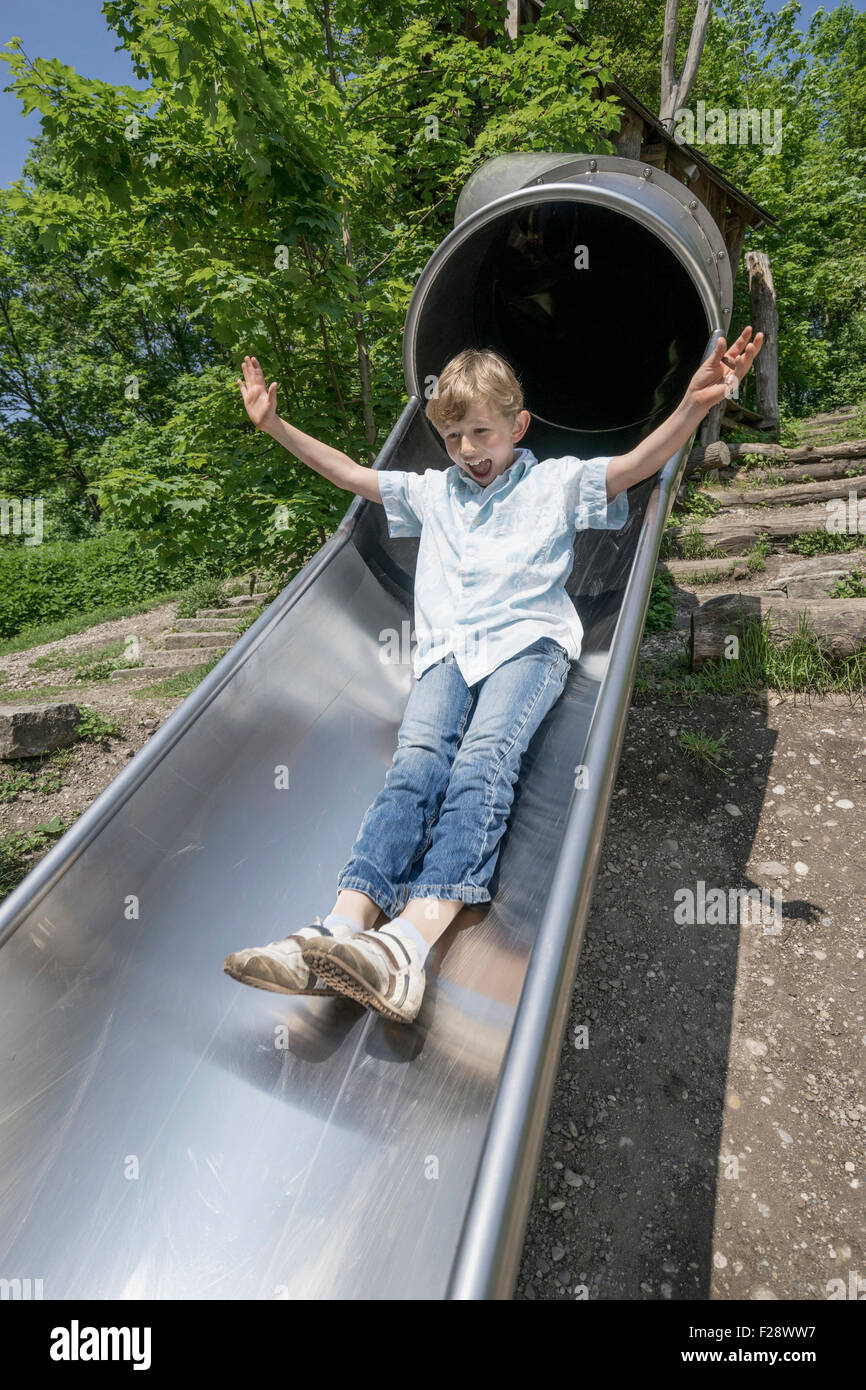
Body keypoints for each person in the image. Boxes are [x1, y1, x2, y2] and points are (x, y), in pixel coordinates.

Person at [223, 330, 763, 1023]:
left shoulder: (553, 483)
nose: (469, 450)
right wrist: (273, 426)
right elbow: (352, 475)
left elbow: (634, 465)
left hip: (527, 646)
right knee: (414, 765)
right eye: (452, 437)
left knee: (481, 762)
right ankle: (339, 927)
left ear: (518, 425)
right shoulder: (433, 494)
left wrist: (690, 408)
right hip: (448, 651)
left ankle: (408, 944)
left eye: (481, 431)